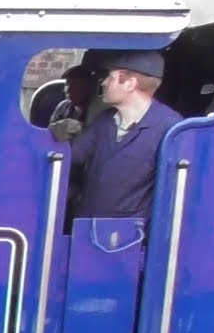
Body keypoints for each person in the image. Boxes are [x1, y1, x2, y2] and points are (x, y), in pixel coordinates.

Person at [50, 50, 182, 221]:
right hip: (88, 226)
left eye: (110, 78)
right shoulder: (105, 120)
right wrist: (54, 135)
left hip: (130, 235)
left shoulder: (170, 128)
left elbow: (172, 192)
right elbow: (73, 155)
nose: (103, 83)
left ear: (129, 83)